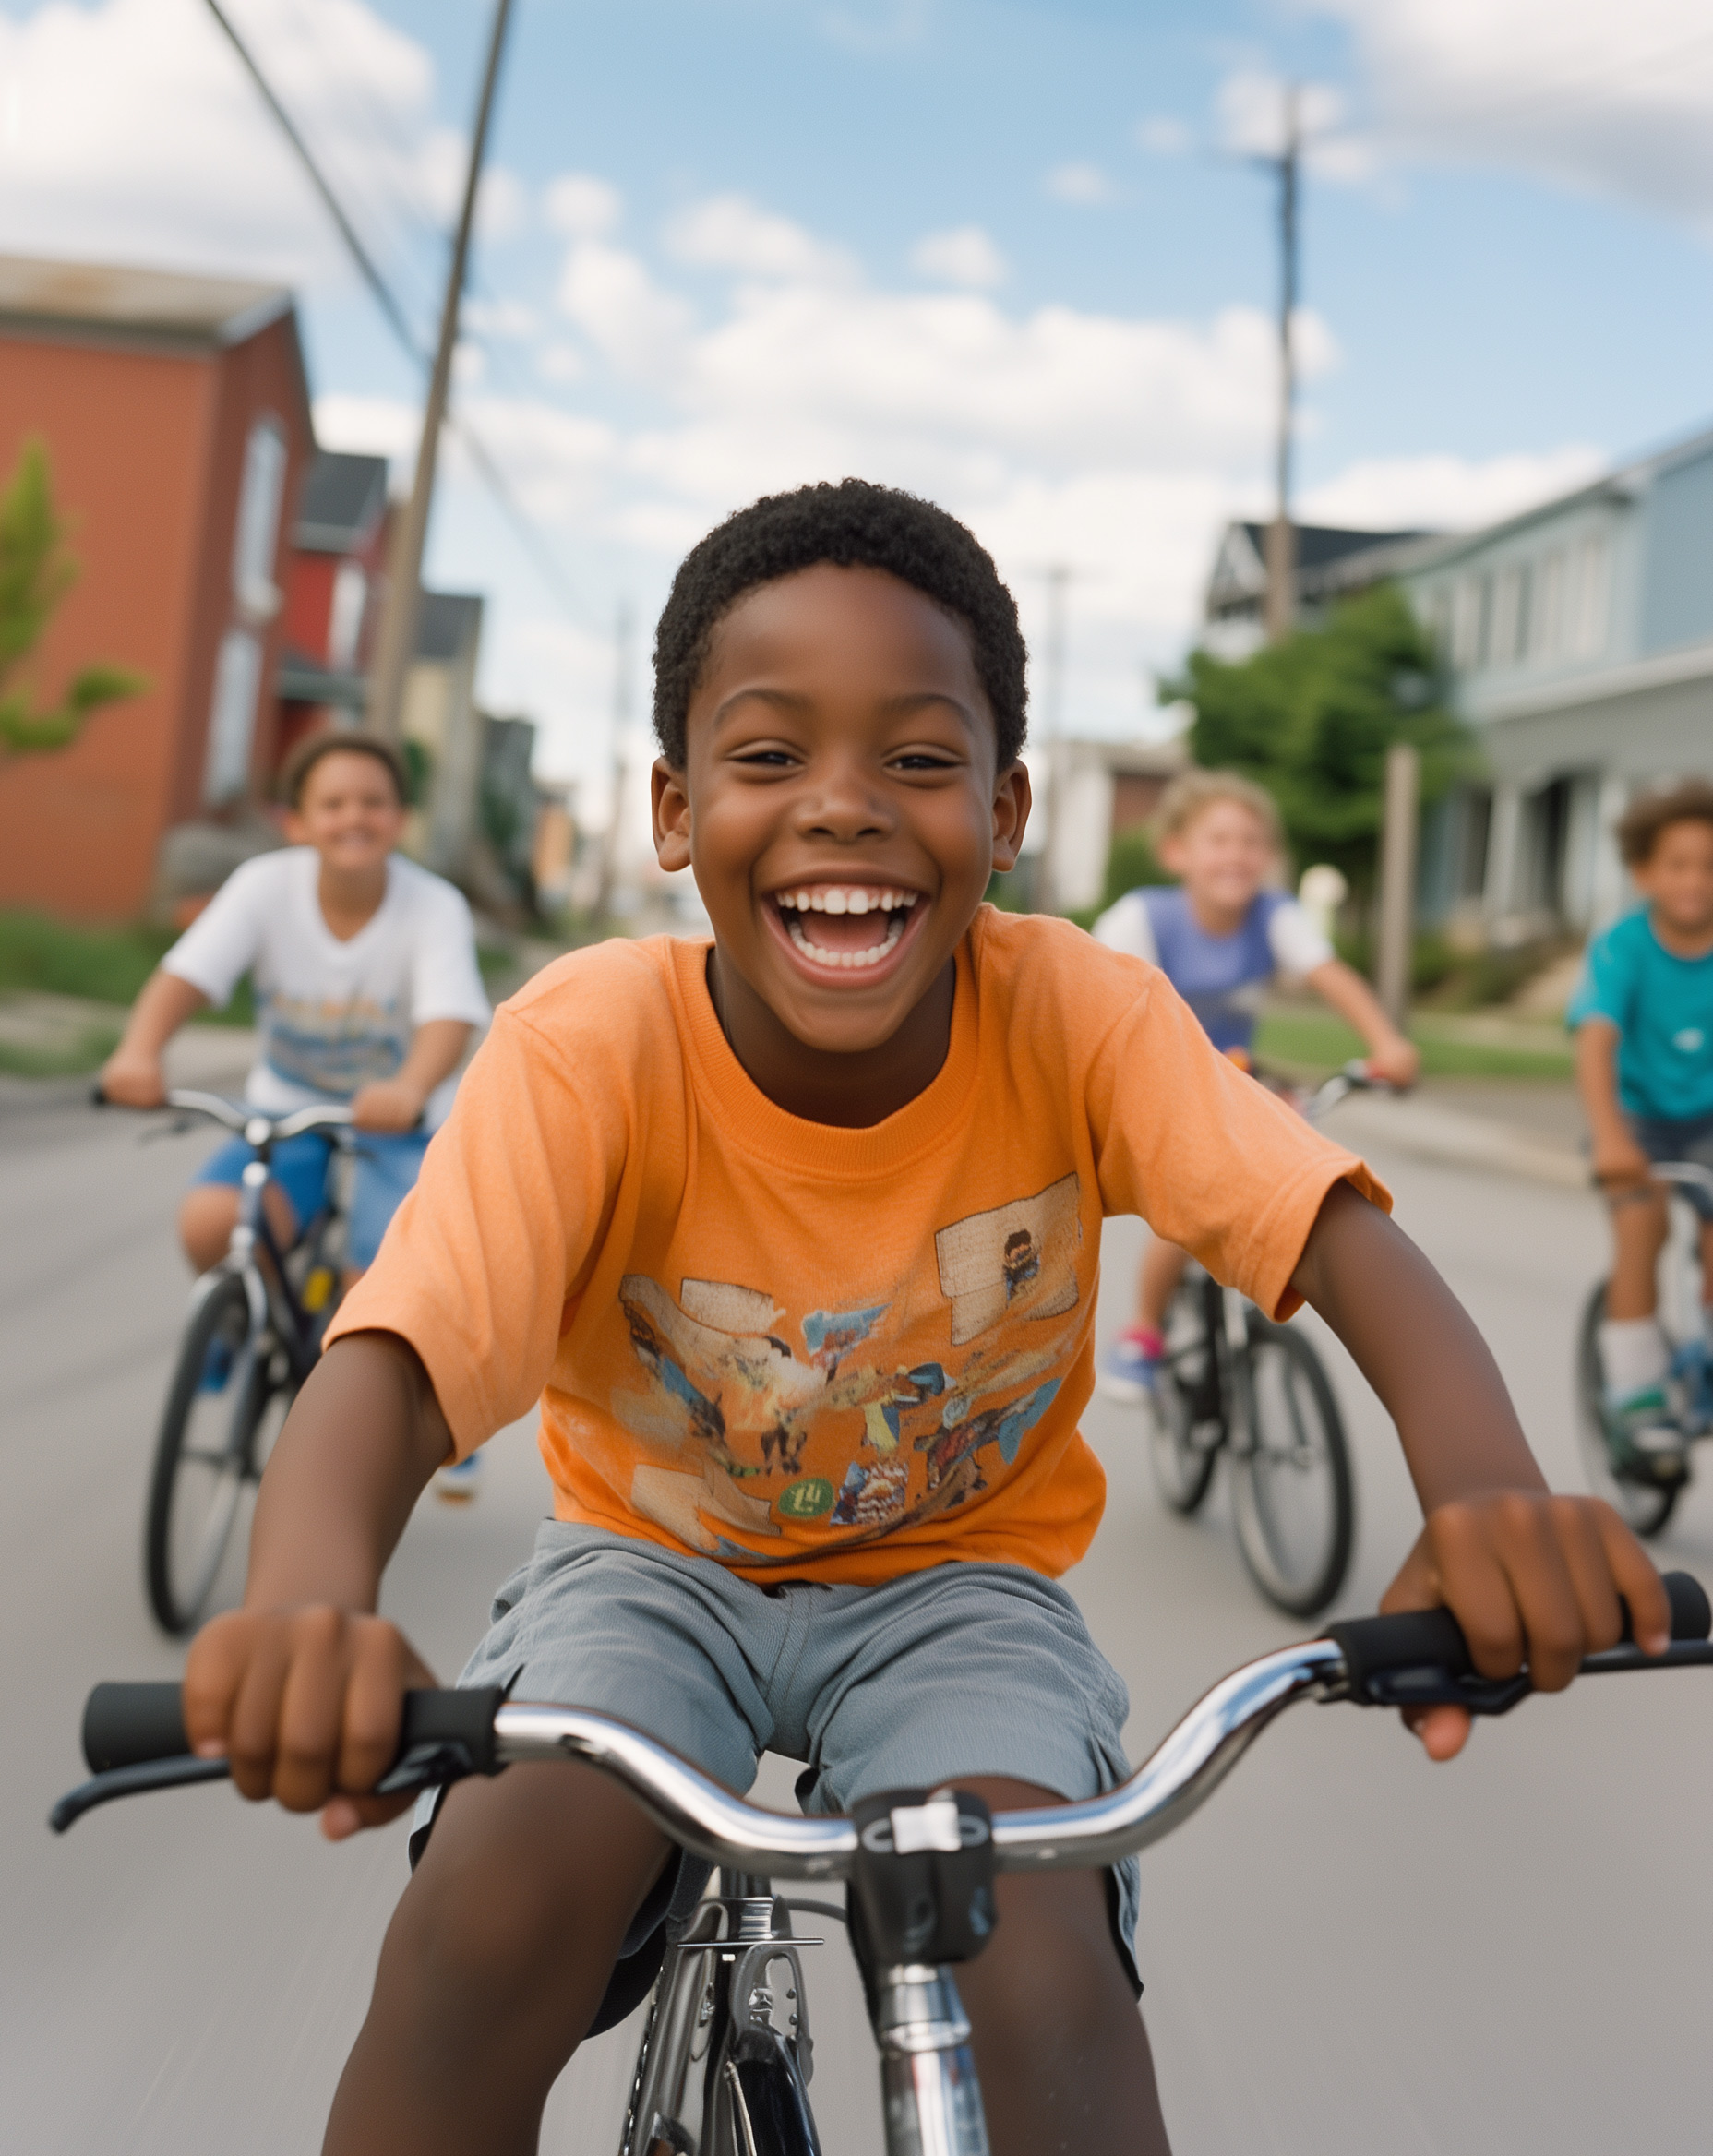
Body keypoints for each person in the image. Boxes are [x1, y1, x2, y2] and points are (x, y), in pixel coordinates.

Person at [177, 481, 1664, 2156]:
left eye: (916, 757)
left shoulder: (1086, 1017)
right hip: (645, 1570)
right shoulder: (587, 1041)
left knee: (1040, 1985)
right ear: (671, 809)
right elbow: (403, 1348)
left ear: (1006, 804)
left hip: (961, 1587)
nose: (842, 808)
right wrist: (306, 1594)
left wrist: (1485, 1486)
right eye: (765, 756)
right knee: (486, 1919)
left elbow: (1327, 1228)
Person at [100, 728, 491, 1499]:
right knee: (211, 1222)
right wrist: (138, 1052)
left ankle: (427, 1407)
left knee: (377, 1288)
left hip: (394, 1124)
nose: (354, 817)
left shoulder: (431, 905)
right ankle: (244, 1324)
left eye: (373, 803)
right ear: (298, 822)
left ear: (400, 817)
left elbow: (449, 1017)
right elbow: (187, 976)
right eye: (333, 803)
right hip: (285, 1110)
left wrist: (411, 1085)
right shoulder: (263, 886)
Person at [1092, 769, 1420, 1401]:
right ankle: (1144, 1331)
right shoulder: (1144, 917)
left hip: (1237, 1079)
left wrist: (1387, 1044)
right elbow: (1086, 996)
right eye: (1218, 839)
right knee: (1187, 1212)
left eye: (1252, 842)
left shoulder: (1274, 916)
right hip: (1159, 1079)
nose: (1237, 854)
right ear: (1177, 852)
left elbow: (1331, 977)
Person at [1569, 778, 1713, 1479]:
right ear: (1645, 872)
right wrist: (1611, 1138)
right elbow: (1595, 1041)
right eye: (1678, 864)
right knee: (1641, 1227)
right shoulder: (1624, 947)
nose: (1695, 880)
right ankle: (1634, 1394)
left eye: (1710, 866)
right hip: (1635, 1122)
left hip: (1708, 1119)